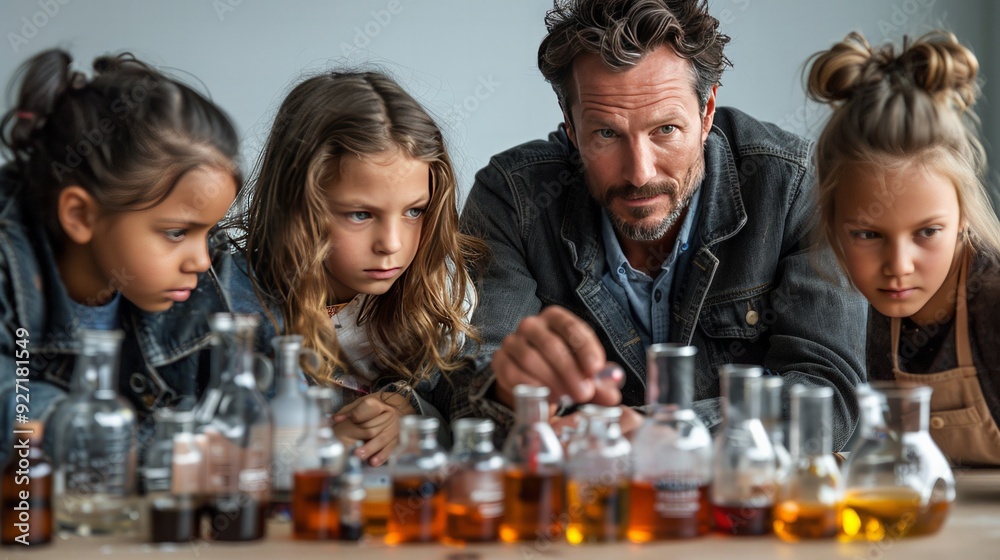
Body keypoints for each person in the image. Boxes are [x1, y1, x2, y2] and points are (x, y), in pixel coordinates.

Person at [453, 0, 868, 448]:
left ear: (707, 111)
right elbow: (462, 394)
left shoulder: (792, 185)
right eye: (606, 134)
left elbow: (830, 397)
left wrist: (665, 434)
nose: (640, 173)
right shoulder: (514, 200)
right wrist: (503, 394)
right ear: (571, 128)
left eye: (665, 129)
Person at [0, 49, 243, 460]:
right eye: (176, 232)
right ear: (80, 215)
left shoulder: (207, 274)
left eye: (210, 231)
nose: (201, 261)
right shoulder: (9, 266)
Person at [234, 70, 485, 466]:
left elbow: (463, 426)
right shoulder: (236, 307)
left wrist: (410, 414)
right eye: (361, 214)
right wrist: (319, 447)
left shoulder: (440, 298)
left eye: (414, 211)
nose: (392, 243)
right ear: (298, 206)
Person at [809, 31, 1000, 466]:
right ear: (832, 224)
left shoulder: (992, 301)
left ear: (964, 216)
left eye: (927, 232)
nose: (898, 266)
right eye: (868, 235)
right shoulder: (871, 313)